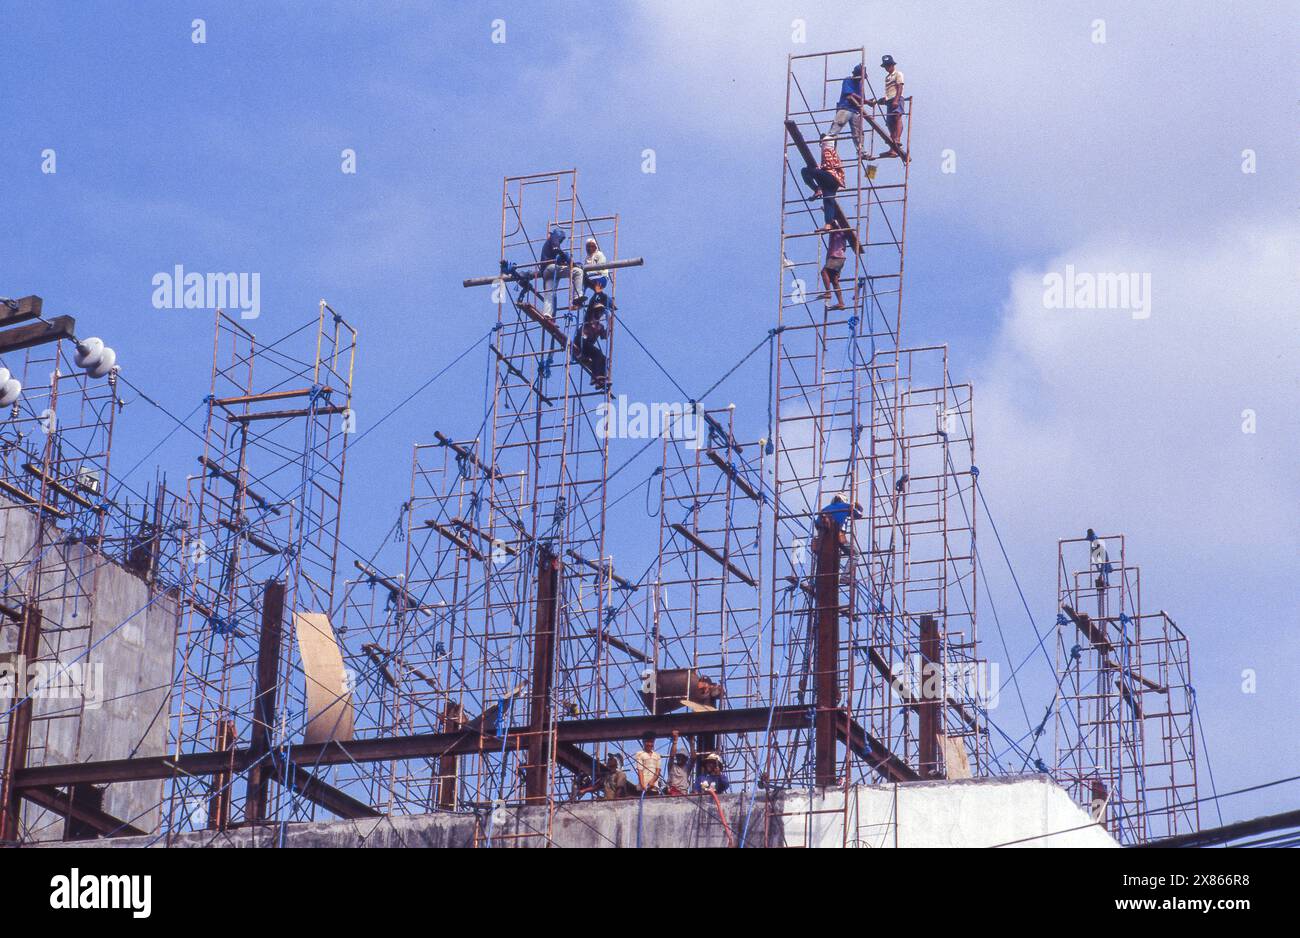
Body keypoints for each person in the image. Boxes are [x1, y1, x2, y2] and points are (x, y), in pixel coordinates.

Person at [800, 136, 846, 230]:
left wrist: (819, 168)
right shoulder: (835, 153)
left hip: (830, 177)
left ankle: (816, 189)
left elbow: (828, 164)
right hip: (835, 183)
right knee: (828, 201)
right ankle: (828, 224)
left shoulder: (827, 150)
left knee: (806, 171)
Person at [827, 64, 867, 158]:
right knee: (835, 129)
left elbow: (862, 99)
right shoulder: (848, 80)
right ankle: (827, 148)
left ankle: (861, 152)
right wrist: (866, 101)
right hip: (845, 108)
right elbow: (850, 94)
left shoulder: (860, 84)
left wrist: (865, 101)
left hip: (855, 110)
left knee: (858, 132)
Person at [573, 292, 610, 389]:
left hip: (588, 346)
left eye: (601, 311)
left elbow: (605, 336)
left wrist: (609, 323)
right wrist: (596, 294)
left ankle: (600, 380)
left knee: (603, 358)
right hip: (581, 341)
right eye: (599, 310)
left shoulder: (600, 326)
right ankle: (595, 377)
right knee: (597, 353)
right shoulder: (590, 318)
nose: (600, 313)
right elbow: (590, 305)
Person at [871, 55, 905, 157]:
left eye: (888, 65)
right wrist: (884, 99)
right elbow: (889, 91)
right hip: (890, 100)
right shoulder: (887, 77)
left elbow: (899, 87)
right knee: (890, 123)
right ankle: (893, 148)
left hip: (896, 99)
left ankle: (897, 139)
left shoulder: (898, 74)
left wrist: (896, 100)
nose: (887, 68)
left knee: (897, 117)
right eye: (886, 66)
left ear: (892, 65)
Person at [538, 226, 573, 315]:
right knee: (576, 271)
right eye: (561, 239)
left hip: (546, 272)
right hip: (551, 268)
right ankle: (578, 297)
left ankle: (548, 314)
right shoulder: (554, 238)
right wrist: (567, 258)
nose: (561, 241)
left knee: (549, 293)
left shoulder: (547, 245)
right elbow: (556, 248)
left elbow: (556, 254)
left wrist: (563, 258)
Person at [572, 238, 611, 308]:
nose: (590, 248)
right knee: (581, 281)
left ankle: (601, 299)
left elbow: (600, 268)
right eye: (588, 247)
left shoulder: (599, 255)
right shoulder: (587, 258)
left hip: (601, 277)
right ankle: (579, 298)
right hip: (591, 278)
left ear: (595, 247)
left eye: (592, 246)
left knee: (595, 286)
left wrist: (588, 273)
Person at [820, 224, 849, 309]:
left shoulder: (836, 226)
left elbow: (827, 227)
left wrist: (820, 230)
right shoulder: (843, 231)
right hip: (840, 257)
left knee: (824, 272)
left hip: (836, 256)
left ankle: (828, 293)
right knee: (834, 280)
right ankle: (841, 303)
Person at [666, 730, 692, 795]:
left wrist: (692, 742)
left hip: (683, 793)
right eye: (678, 756)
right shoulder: (672, 766)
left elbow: (693, 758)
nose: (679, 758)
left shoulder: (687, 768)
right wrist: (675, 741)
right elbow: (671, 756)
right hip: (671, 793)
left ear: (686, 759)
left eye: (682, 757)